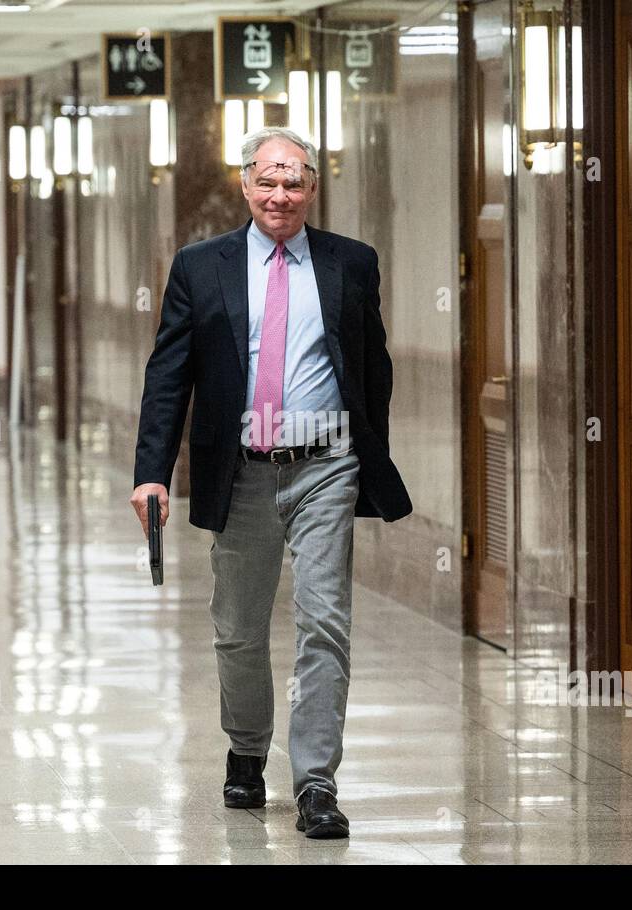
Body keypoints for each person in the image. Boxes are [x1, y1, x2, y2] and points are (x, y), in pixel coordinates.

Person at [130, 127, 412, 839]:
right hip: (242, 470)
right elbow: (170, 374)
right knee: (238, 628)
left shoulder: (351, 263)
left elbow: (371, 368)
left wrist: (365, 451)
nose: (280, 194)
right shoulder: (202, 266)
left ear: (313, 188)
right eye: (268, 181)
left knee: (324, 621)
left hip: (326, 464)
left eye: (294, 182)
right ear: (245, 186)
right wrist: (151, 474)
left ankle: (317, 781)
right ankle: (248, 747)